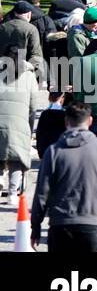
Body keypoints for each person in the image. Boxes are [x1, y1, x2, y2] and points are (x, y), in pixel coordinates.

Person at [31, 102, 97, 253]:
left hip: (60, 225)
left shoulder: (54, 151)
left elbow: (42, 192)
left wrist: (35, 226)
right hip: (93, 222)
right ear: (90, 121)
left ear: (66, 121)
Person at [0, 46, 41, 204]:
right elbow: (34, 106)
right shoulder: (29, 76)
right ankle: (12, 193)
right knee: (17, 158)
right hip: (18, 121)